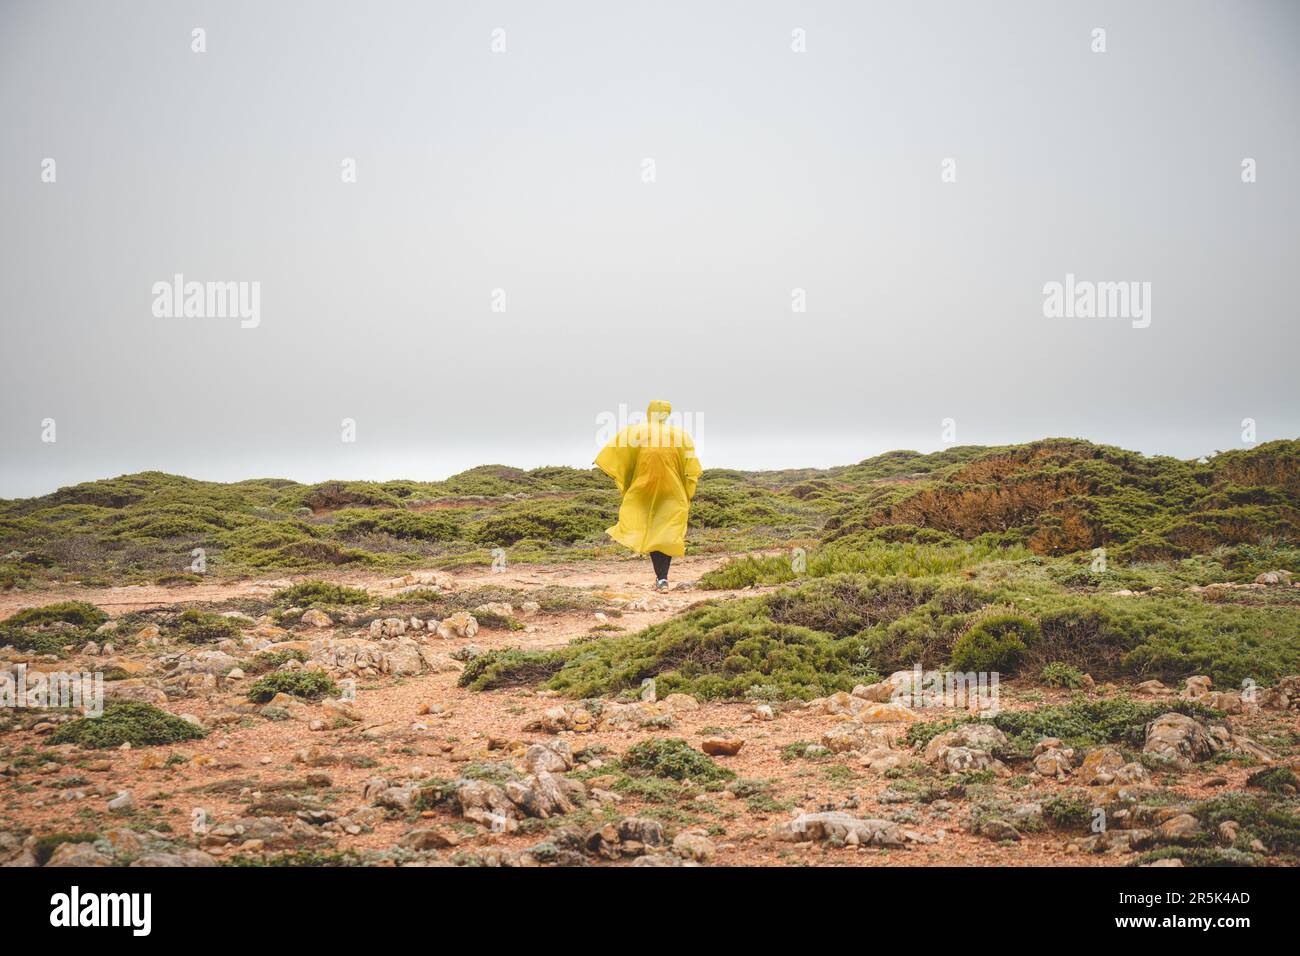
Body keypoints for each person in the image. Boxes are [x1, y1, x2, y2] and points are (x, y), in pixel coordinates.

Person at [595, 400, 702, 590]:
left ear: (649, 412)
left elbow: (615, 455)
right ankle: (662, 577)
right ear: (667, 414)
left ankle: (661, 578)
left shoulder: (635, 432)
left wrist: (620, 475)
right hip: (672, 490)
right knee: (666, 531)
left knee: (652, 529)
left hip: (643, 489)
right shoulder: (680, 436)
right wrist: (687, 491)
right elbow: (691, 469)